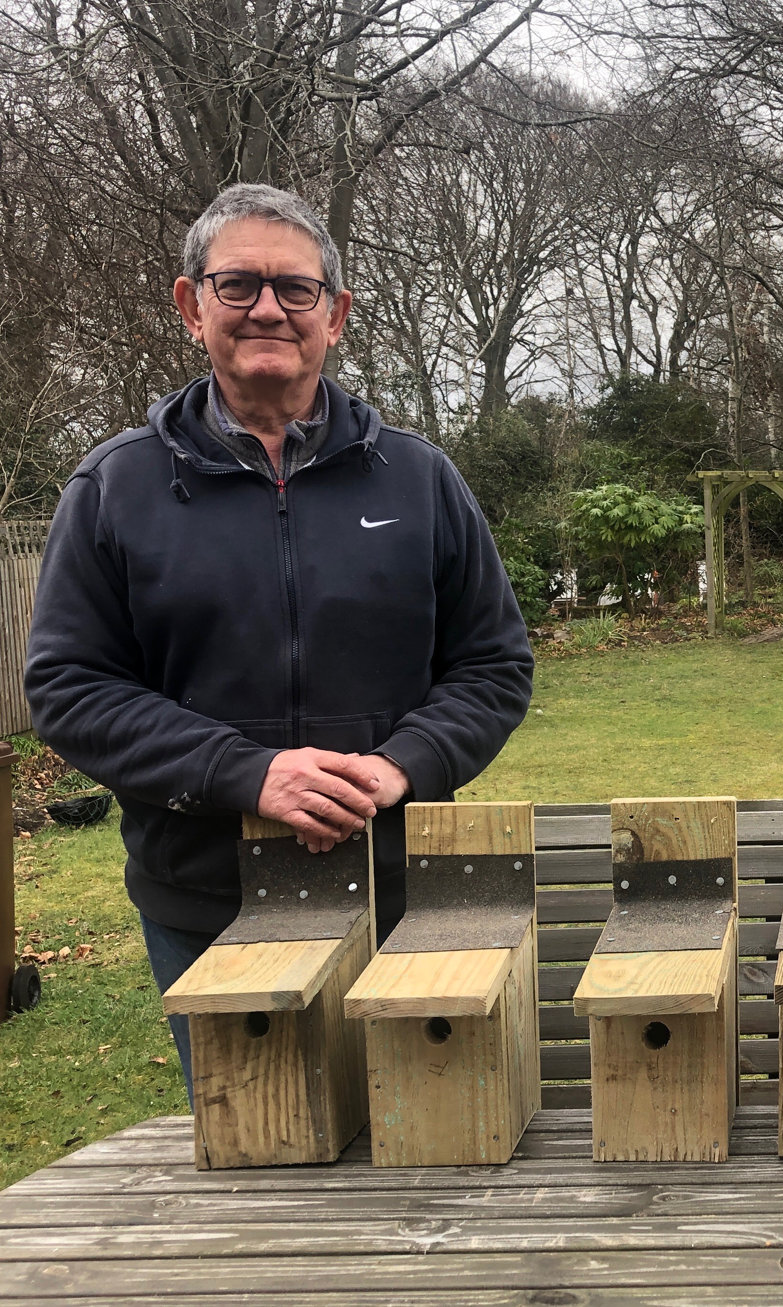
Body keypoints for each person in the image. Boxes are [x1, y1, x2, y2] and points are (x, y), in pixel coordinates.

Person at [26, 184, 534, 1095]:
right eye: (238, 284)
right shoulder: (113, 489)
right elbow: (70, 686)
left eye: (295, 289)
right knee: (257, 1158)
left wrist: (403, 764)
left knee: (430, 1149)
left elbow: (494, 666)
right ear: (192, 306)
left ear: (334, 316)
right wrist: (246, 773)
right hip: (206, 902)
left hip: (404, 893)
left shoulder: (419, 479)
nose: (268, 307)